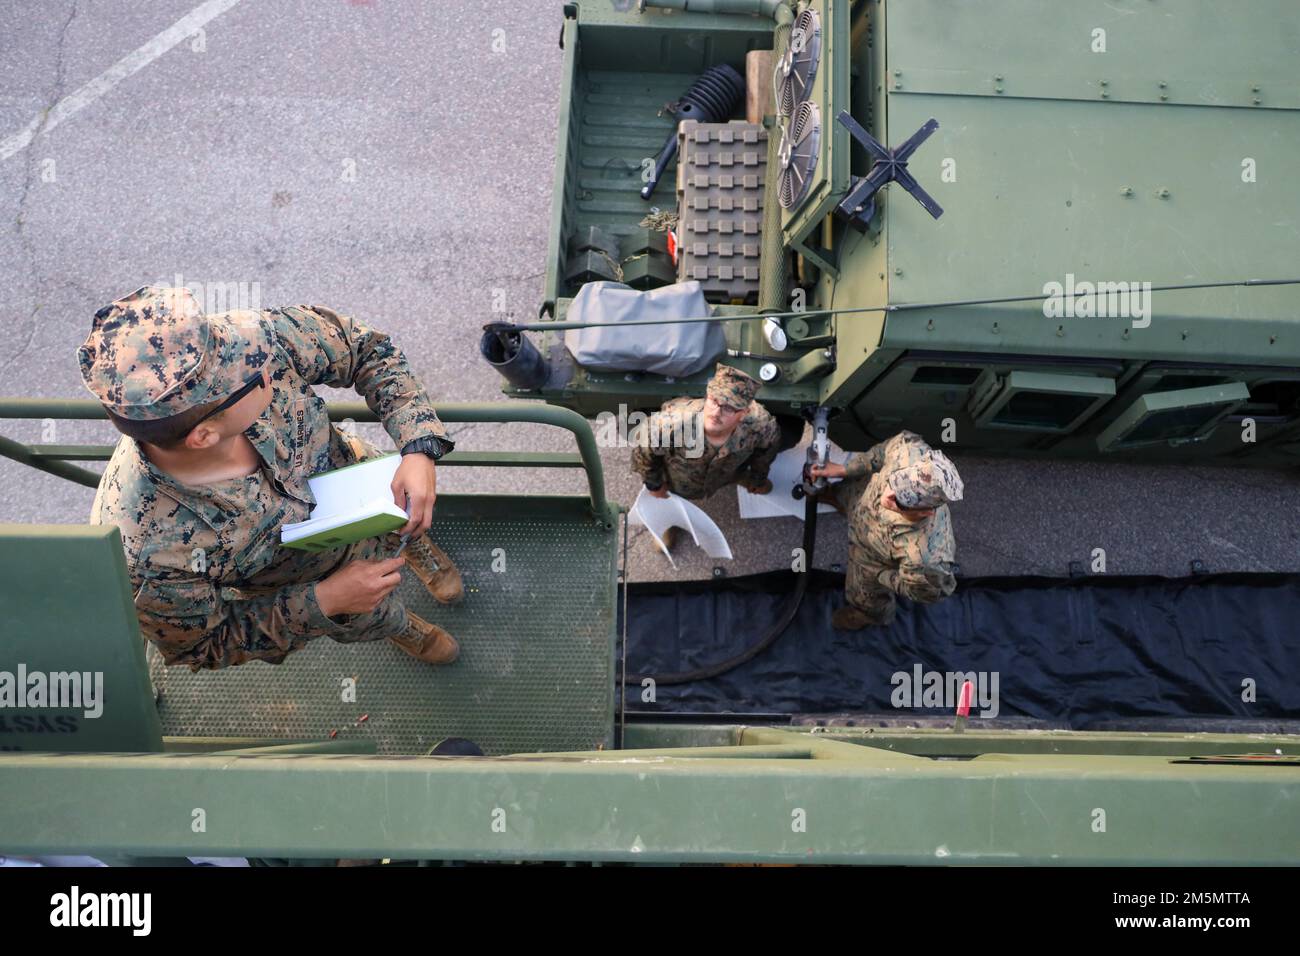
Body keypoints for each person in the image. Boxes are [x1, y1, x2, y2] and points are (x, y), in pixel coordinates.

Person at [78, 285, 464, 670]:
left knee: (407, 517)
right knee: (370, 615)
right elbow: (203, 646)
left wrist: (417, 446)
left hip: (370, 489)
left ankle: (416, 548)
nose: (266, 360)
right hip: (312, 576)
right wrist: (325, 601)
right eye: (250, 372)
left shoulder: (241, 340)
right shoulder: (145, 549)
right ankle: (399, 627)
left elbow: (363, 348)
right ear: (204, 435)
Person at [810, 431, 963, 630]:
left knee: (865, 596)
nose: (886, 496)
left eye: (899, 502)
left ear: (926, 512)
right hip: (860, 499)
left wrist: (879, 574)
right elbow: (884, 451)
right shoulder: (910, 451)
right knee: (848, 490)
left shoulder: (929, 558)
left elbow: (927, 592)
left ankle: (869, 615)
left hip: (872, 558)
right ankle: (838, 498)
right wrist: (844, 470)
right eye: (894, 483)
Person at [630, 362, 781, 551]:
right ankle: (670, 520)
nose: (716, 413)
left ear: (744, 413)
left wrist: (758, 479)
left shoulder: (760, 426)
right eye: (714, 400)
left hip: (729, 472)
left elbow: (766, 453)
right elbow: (644, 455)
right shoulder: (670, 424)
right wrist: (655, 487)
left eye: (729, 408)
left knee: (753, 480)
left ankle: (746, 481)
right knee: (667, 500)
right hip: (679, 482)